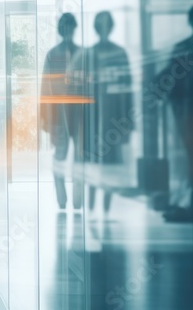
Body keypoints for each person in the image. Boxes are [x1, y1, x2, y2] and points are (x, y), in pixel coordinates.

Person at [66, 11, 134, 212]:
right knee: (92, 162)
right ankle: (93, 205)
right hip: (91, 117)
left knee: (110, 163)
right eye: (100, 25)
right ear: (96, 28)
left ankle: (105, 208)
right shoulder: (88, 54)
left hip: (113, 115)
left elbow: (127, 89)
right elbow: (73, 84)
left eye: (106, 25)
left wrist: (128, 122)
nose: (104, 30)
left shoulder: (119, 54)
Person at [41, 14, 82, 210]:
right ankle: (63, 199)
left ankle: (76, 200)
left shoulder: (82, 54)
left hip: (79, 113)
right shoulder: (53, 54)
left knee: (79, 156)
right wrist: (46, 118)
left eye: (70, 28)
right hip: (60, 114)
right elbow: (45, 89)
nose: (68, 32)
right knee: (61, 155)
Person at [158, 6, 193, 222]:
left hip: (185, 114)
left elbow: (167, 80)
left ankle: (186, 204)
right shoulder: (182, 49)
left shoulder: (183, 49)